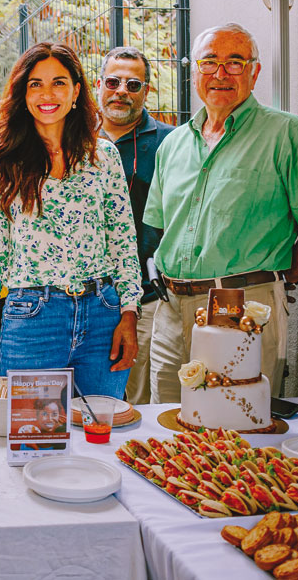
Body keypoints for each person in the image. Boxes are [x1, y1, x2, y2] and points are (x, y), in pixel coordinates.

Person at [144, 23, 298, 402]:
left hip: (240, 305)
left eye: (235, 63)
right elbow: (158, 227)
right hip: (171, 308)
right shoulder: (173, 145)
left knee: (234, 423)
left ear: (255, 72)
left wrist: (272, 283)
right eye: (209, 62)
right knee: (167, 425)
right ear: (194, 72)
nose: (220, 74)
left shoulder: (286, 134)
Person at [0, 42, 142, 399]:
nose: (48, 94)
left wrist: (129, 312)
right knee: (34, 440)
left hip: (103, 316)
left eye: (59, 82)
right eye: (36, 84)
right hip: (33, 319)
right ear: (23, 93)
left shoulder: (103, 156)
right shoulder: (2, 163)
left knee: (100, 433)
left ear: (77, 91)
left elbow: (123, 240)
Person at [94, 46, 174, 405]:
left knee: (138, 399)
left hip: (145, 296)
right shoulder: (71, 138)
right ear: (99, 84)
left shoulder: (171, 142)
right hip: (86, 296)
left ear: (147, 90)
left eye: (133, 83)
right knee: (92, 399)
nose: (121, 90)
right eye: (113, 81)